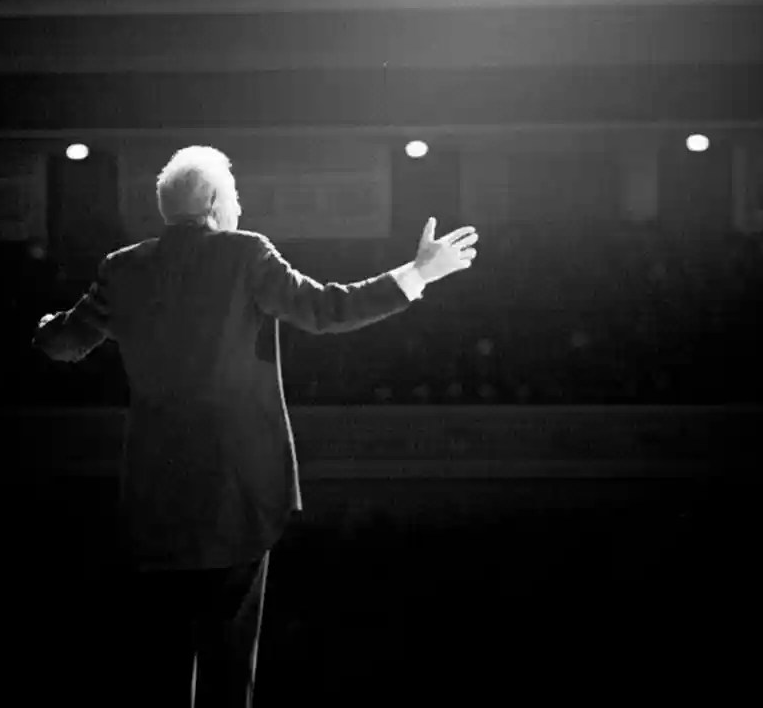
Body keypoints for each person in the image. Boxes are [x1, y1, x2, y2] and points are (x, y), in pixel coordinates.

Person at [33, 145, 479, 707]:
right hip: (236, 494)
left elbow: (63, 344)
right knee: (228, 669)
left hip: (156, 500)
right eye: (236, 196)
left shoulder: (122, 268)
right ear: (217, 203)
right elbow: (325, 309)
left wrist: (48, 325)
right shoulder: (245, 255)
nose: (240, 207)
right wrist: (417, 274)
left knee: (161, 667)